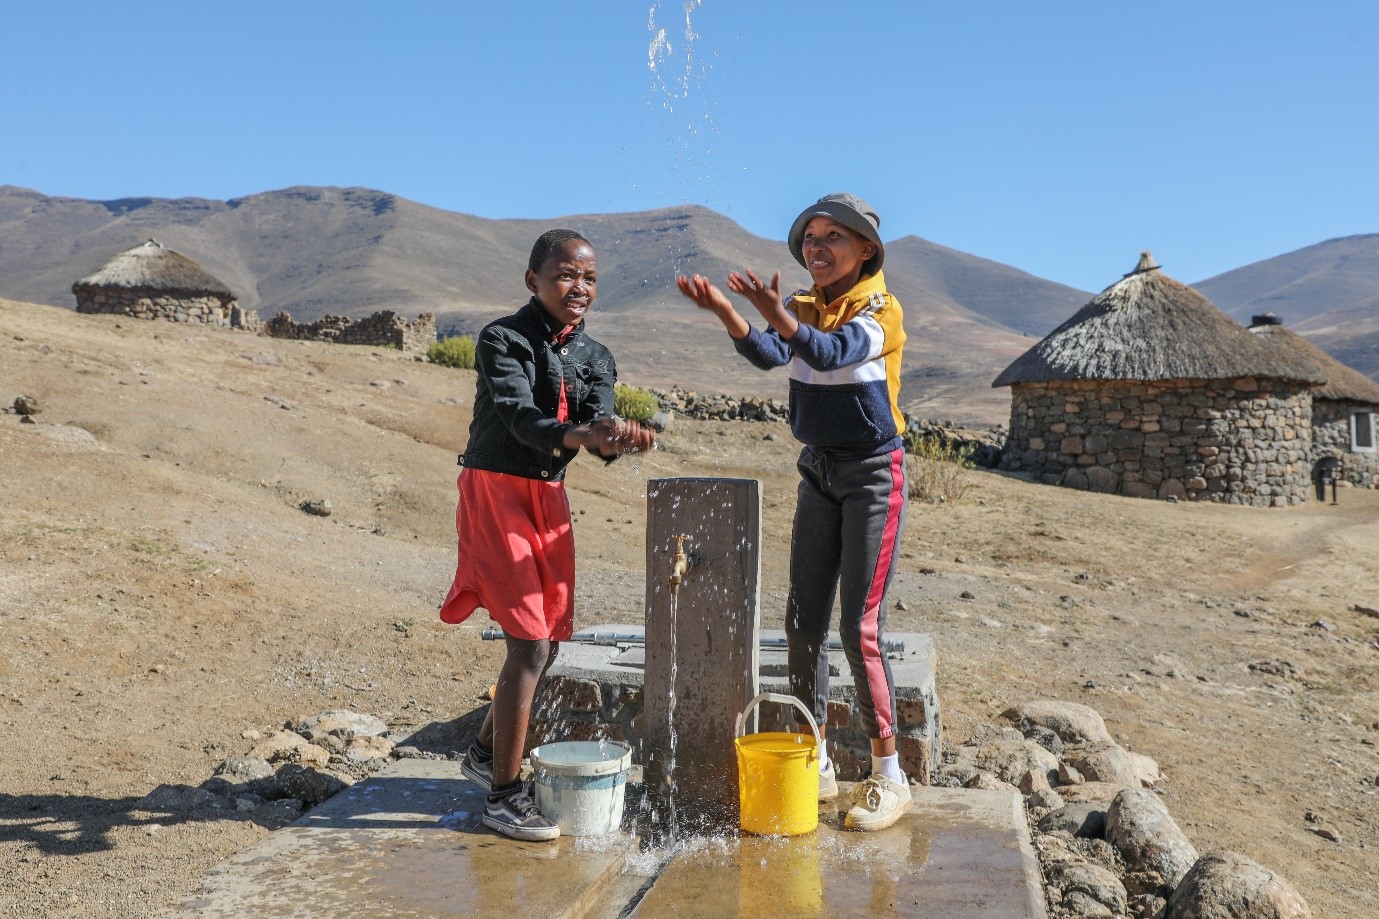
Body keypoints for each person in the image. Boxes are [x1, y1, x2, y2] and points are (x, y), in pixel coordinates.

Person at [676, 193, 910, 831]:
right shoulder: (804, 307)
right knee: (803, 623)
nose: (816, 246)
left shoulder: (880, 311)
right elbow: (777, 353)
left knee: (859, 630)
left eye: (833, 235)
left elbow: (830, 353)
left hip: (871, 478)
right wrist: (729, 310)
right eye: (810, 236)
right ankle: (820, 757)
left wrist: (775, 311)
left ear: (866, 248)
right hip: (818, 474)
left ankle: (891, 775)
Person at [440, 228, 656, 841]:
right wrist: (583, 436)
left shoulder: (595, 357)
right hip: (496, 490)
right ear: (532, 279)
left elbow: (599, 424)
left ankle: (485, 757)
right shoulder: (503, 339)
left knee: (548, 640)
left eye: (588, 279)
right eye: (565, 275)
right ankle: (505, 798)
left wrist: (620, 436)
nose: (578, 288)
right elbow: (518, 416)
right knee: (529, 645)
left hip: (548, 498)